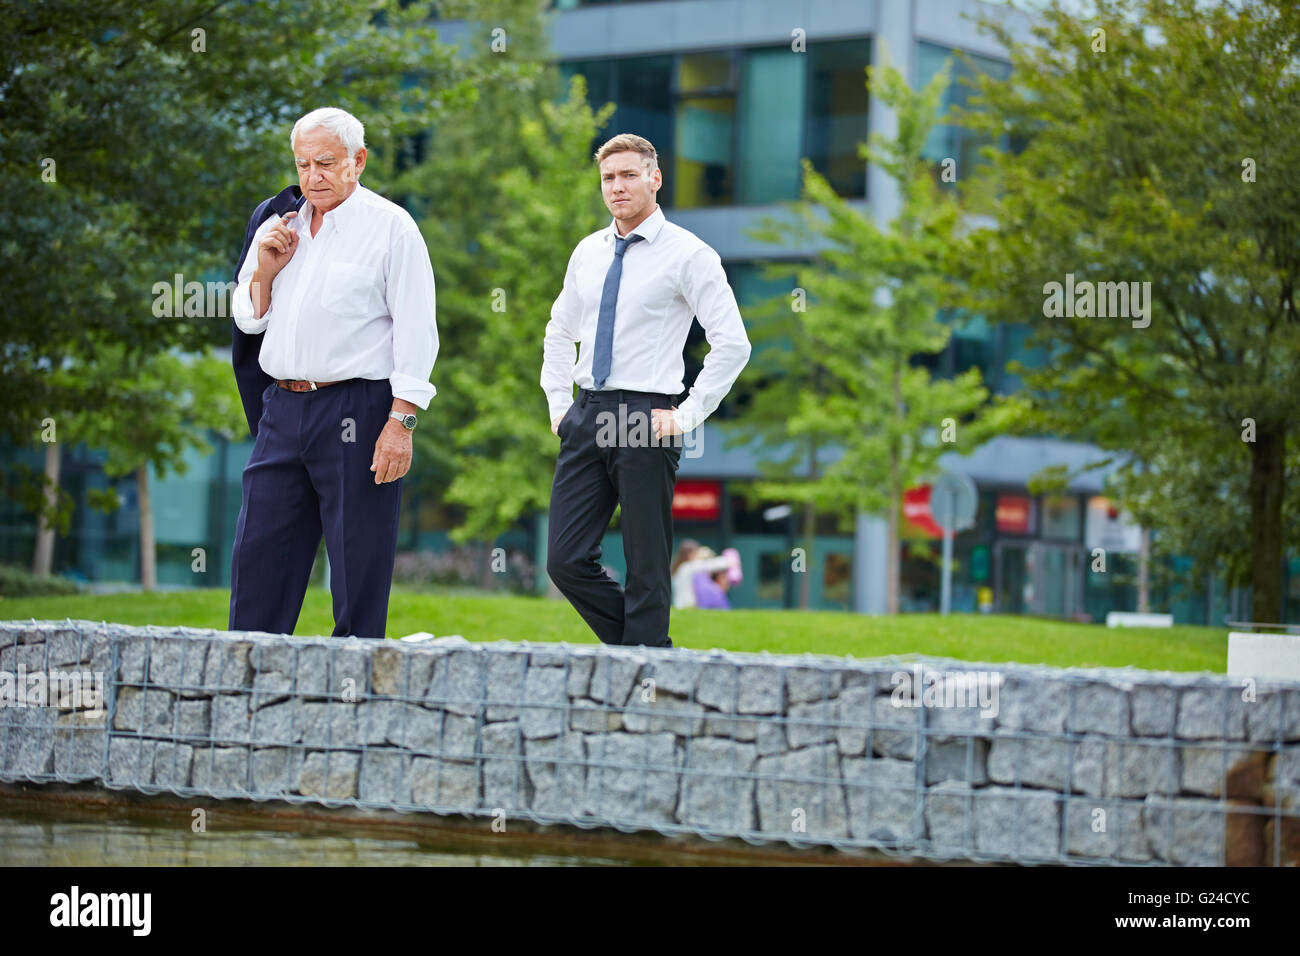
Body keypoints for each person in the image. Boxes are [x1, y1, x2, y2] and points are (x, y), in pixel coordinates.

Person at [227, 107, 438, 640]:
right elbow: (249, 318)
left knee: (357, 566)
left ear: (357, 161)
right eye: (303, 165)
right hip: (282, 409)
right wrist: (267, 272)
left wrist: (401, 424)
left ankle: (357, 697)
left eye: (326, 163)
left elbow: (418, 334)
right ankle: (248, 685)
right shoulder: (279, 225)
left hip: (359, 411)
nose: (313, 176)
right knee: (259, 558)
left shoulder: (392, 228)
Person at [541, 133, 751, 647]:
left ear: (655, 178)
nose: (617, 187)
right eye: (609, 178)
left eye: (629, 175)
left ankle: (646, 671)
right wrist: (559, 405)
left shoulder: (689, 254)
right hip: (587, 411)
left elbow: (733, 343)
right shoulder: (588, 251)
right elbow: (558, 329)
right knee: (565, 560)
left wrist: (686, 415)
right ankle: (649, 651)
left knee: (647, 562)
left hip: (645, 414)